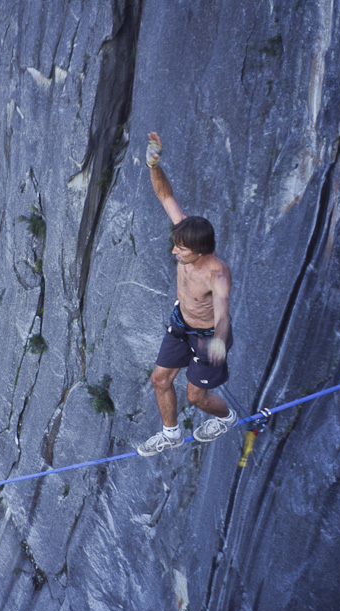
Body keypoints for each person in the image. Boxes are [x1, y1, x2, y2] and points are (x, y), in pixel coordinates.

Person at [137, 132, 237, 457]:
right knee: (159, 380)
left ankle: (226, 418)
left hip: (208, 336)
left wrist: (219, 342)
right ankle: (171, 433)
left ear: (199, 251)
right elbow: (165, 195)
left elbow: (222, 312)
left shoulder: (217, 273)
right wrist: (154, 164)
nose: (174, 251)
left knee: (197, 397)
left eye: (180, 249)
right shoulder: (186, 232)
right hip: (181, 324)